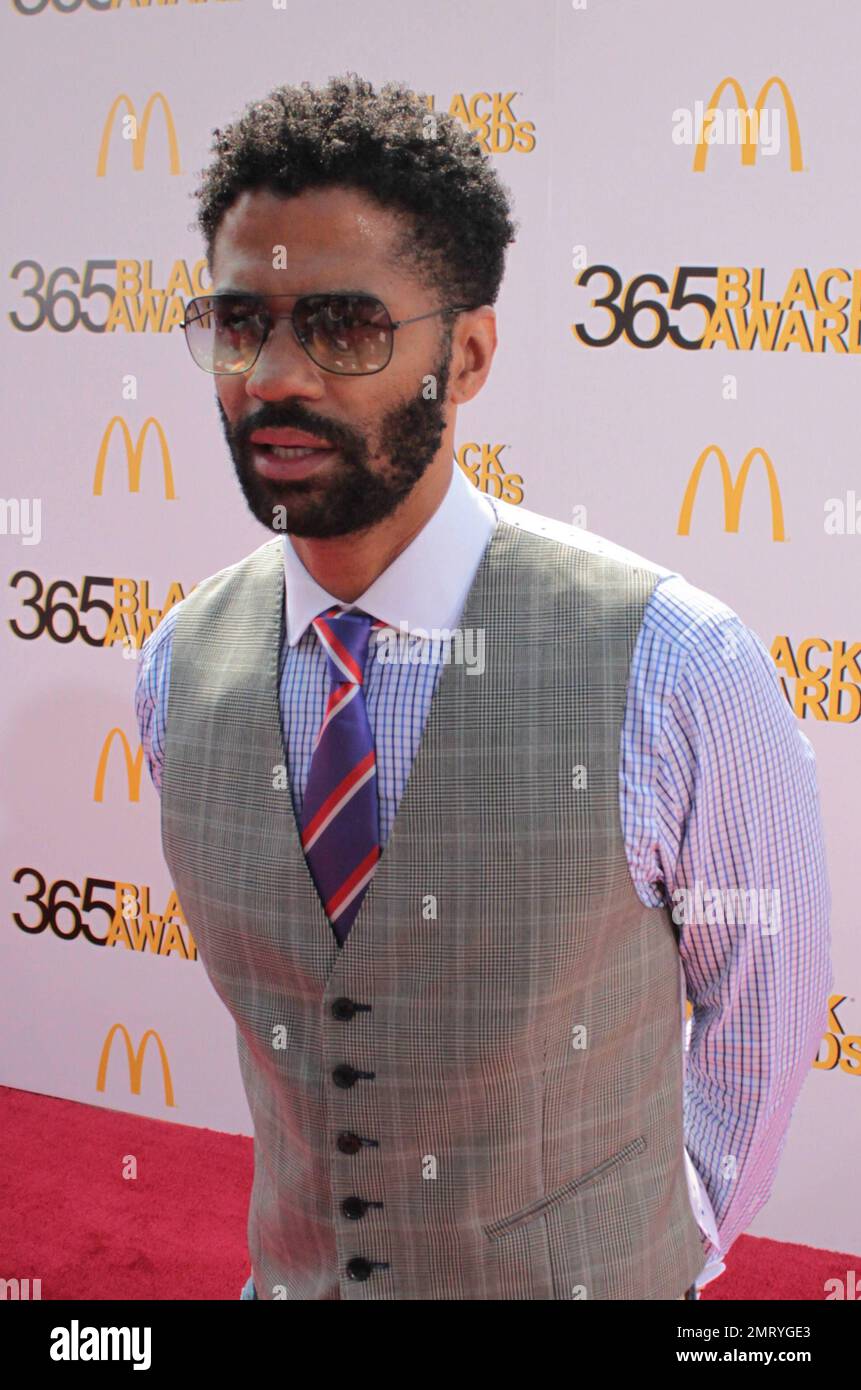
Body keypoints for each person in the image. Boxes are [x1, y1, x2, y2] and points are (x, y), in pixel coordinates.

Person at [135, 74, 832, 1301]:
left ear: (465, 355)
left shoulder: (673, 661)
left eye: (344, 327)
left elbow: (762, 1017)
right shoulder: (179, 662)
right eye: (240, 324)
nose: (274, 377)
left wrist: (658, 1253)